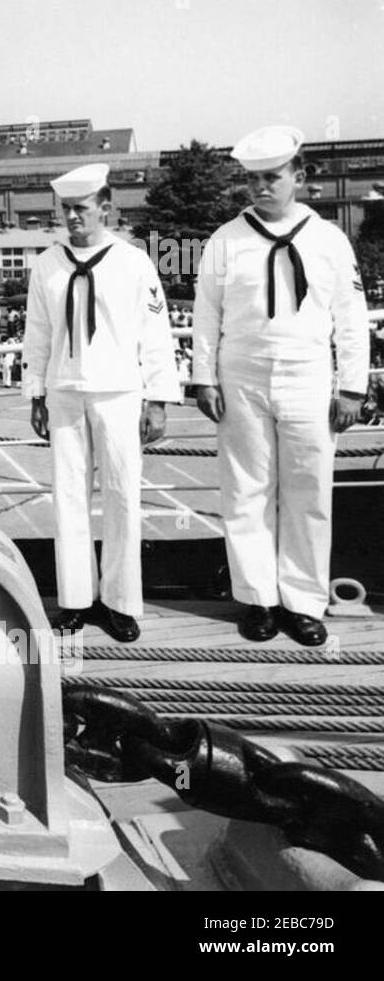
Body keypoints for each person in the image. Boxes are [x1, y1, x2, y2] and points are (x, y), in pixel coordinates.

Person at [193, 126, 368, 646]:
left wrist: (353, 387)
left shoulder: (329, 239)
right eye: (253, 179)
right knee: (246, 491)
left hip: (308, 375)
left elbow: (351, 316)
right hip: (241, 375)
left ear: (300, 176)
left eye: (272, 177)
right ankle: (257, 600)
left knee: (308, 492)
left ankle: (303, 602)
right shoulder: (227, 239)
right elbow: (207, 314)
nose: (262, 188)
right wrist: (204, 377)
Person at [22, 163, 178, 642]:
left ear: (105, 208)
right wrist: (36, 393)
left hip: (118, 392)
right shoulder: (47, 264)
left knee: (121, 496)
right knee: (68, 498)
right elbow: (38, 334)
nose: (72, 217)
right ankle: (74, 600)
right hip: (65, 392)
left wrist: (158, 399)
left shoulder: (133, 262)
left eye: (81, 209)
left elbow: (155, 334)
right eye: (65, 209)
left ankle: (121, 602)